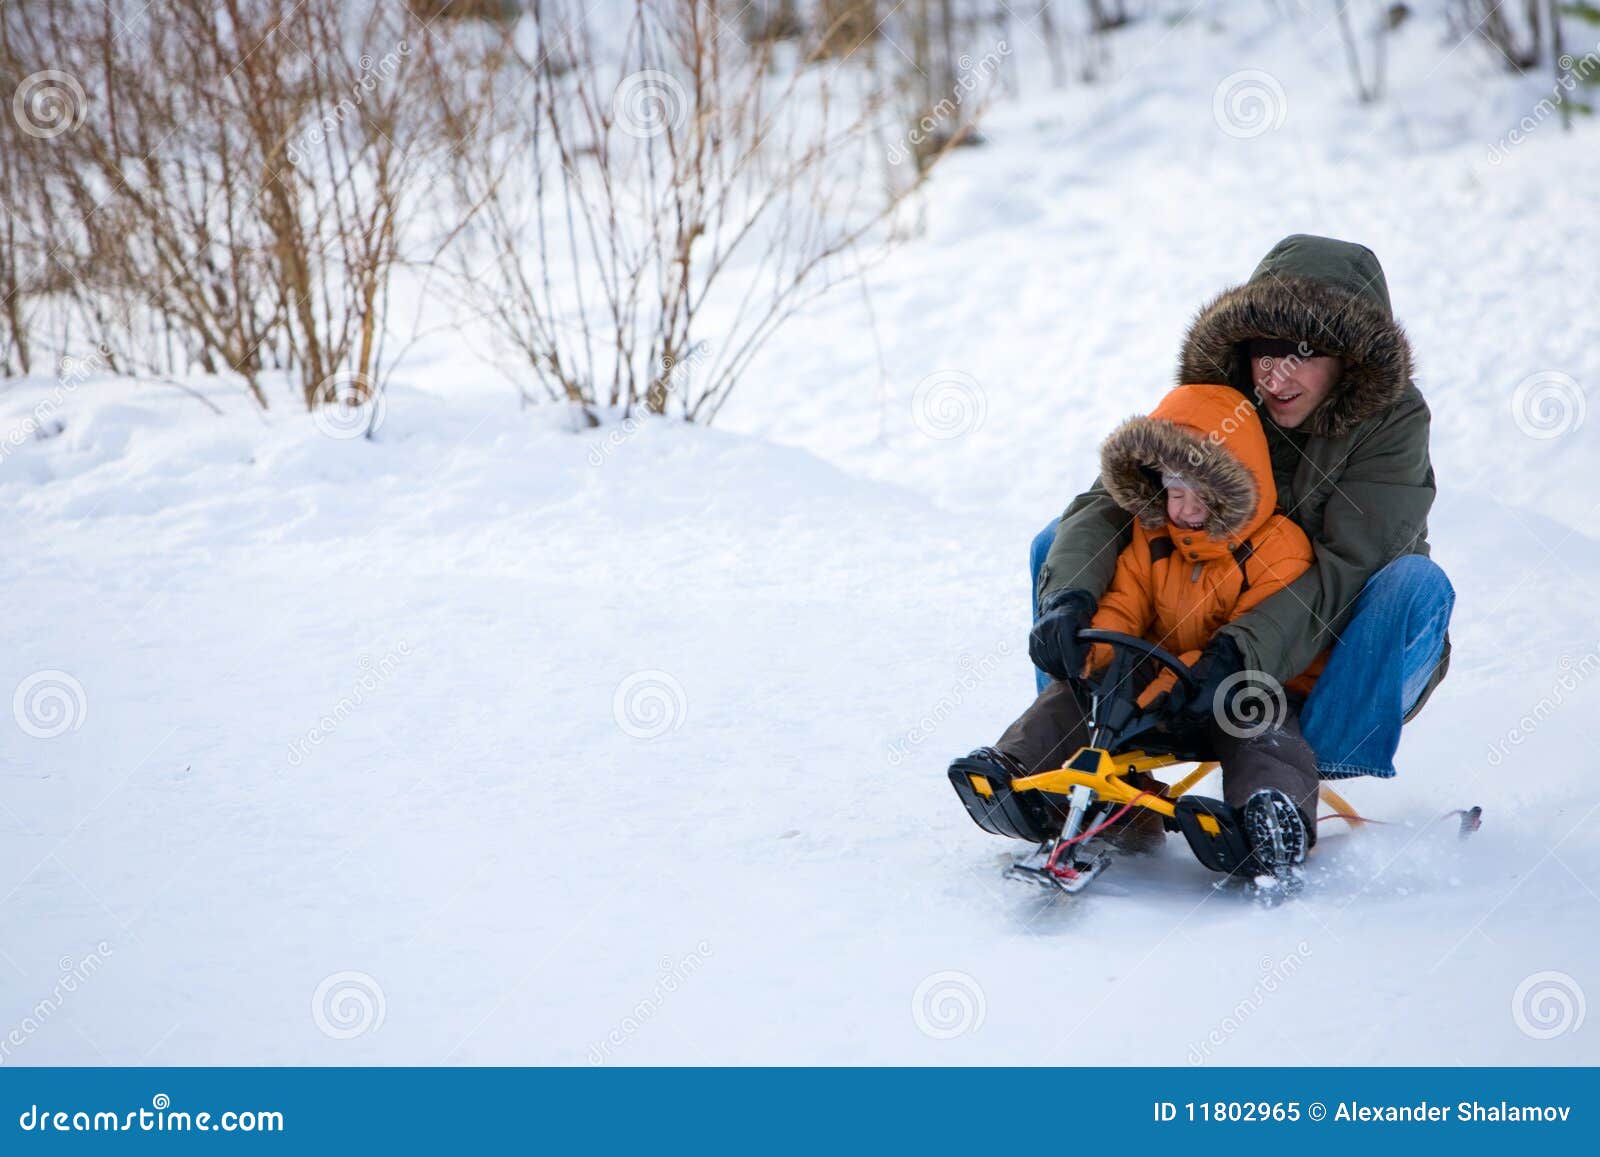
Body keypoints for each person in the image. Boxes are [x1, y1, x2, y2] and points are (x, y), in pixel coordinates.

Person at [1029, 234, 1453, 783]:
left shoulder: (1392, 423)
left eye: (1306, 353)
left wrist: (1240, 655)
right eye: (1265, 351)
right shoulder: (1222, 393)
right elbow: (1112, 501)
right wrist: (1069, 598)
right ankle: (1082, 750)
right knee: (1057, 545)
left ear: (1350, 362)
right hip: (1203, 634)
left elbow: (1352, 568)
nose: (1277, 376)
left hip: (1330, 660)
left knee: (1413, 584)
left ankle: (1313, 765)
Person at [950, 384, 1324, 871]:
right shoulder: (1151, 537)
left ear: (1237, 491)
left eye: (1201, 497)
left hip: (1239, 682)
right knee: (1076, 693)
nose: (1185, 511)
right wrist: (1090, 649)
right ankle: (1015, 772)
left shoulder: (1279, 548)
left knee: (1262, 725)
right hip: (1161, 679)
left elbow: (1260, 636)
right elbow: (1125, 604)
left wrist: (1182, 679)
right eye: (1175, 493)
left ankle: (1271, 816)